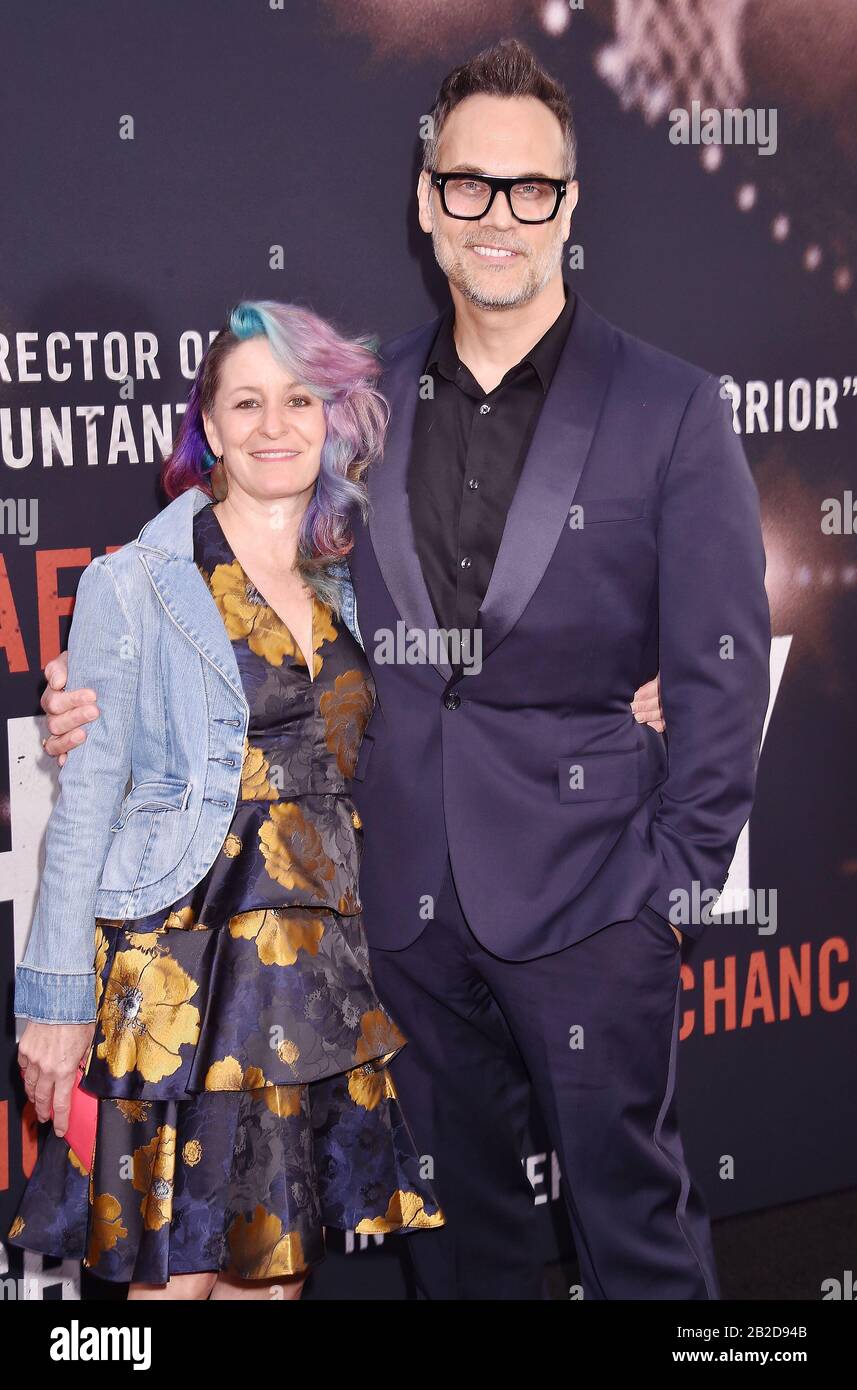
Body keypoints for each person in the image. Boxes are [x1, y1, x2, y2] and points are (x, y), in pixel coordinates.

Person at [35, 38, 767, 1301]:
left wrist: (672, 871)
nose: (499, 217)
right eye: (469, 184)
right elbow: (233, 551)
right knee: (456, 1247)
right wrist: (95, 678)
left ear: (568, 207)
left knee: (633, 1228)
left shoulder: (669, 406)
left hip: (595, 903)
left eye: (530, 189)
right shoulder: (355, 407)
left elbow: (723, 660)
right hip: (397, 914)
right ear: (428, 200)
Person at [8, 300, 446, 1300]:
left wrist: (637, 689)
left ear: (329, 414)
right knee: (173, 1288)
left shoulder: (357, 571)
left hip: (311, 981)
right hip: (177, 978)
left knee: (270, 1282)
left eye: (297, 399)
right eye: (244, 402)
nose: (273, 424)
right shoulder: (141, 581)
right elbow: (85, 805)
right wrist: (54, 1001)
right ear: (206, 425)